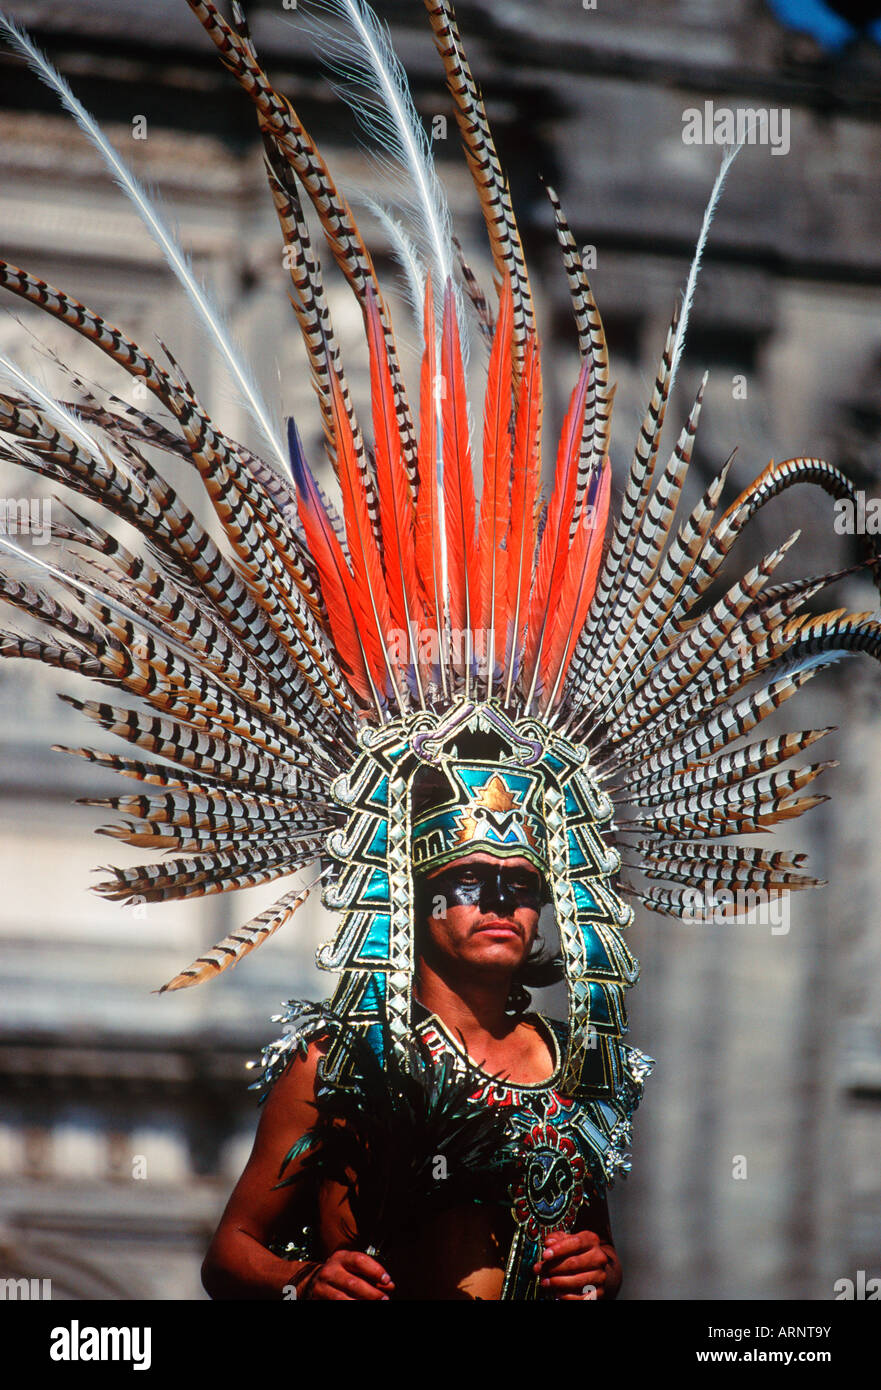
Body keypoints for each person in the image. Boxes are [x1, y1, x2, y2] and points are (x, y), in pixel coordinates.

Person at [202, 845, 622, 1301]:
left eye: (522, 883)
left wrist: (599, 1270)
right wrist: (305, 1284)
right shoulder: (339, 1061)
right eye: (470, 876)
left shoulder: (575, 1063)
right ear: (414, 895)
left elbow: (601, 1248)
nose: (500, 901)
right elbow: (229, 1252)